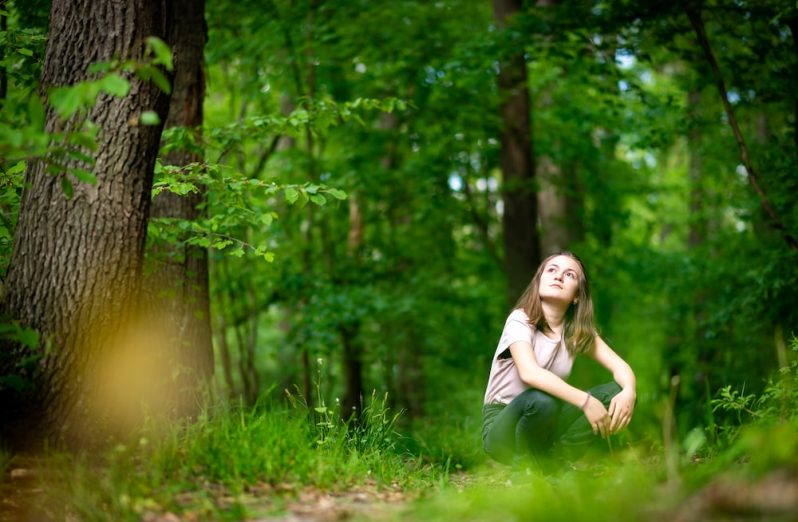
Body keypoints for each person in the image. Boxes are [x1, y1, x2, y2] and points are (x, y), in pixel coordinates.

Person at [482, 252, 636, 465]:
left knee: (614, 392)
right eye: (552, 270)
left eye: (569, 274)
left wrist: (630, 391)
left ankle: (555, 463)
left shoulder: (576, 333)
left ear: (577, 296)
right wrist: (585, 401)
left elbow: (620, 366)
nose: (558, 276)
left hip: (547, 420)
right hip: (502, 425)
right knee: (541, 400)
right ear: (539, 282)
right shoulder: (520, 320)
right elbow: (530, 373)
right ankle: (524, 467)